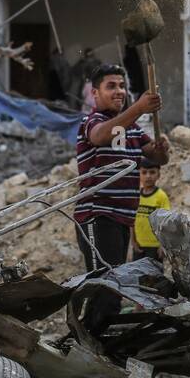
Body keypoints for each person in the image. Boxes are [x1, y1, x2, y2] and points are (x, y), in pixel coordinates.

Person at [74, 64, 170, 273]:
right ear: (95, 93)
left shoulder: (133, 128)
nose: (119, 91)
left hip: (122, 217)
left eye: (122, 86)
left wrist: (162, 147)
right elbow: (100, 136)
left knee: (113, 288)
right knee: (104, 287)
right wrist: (139, 108)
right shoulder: (91, 121)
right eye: (111, 86)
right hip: (98, 216)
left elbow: (159, 158)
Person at [132, 162, 170, 261]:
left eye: (152, 172)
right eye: (144, 172)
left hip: (155, 247)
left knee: (153, 275)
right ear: (139, 174)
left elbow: (165, 222)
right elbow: (132, 221)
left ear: (158, 175)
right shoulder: (136, 195)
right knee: (137, 275)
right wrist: (133, 241)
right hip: (139, 245)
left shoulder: (161, 196)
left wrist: (163, 245)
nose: (148, 176)